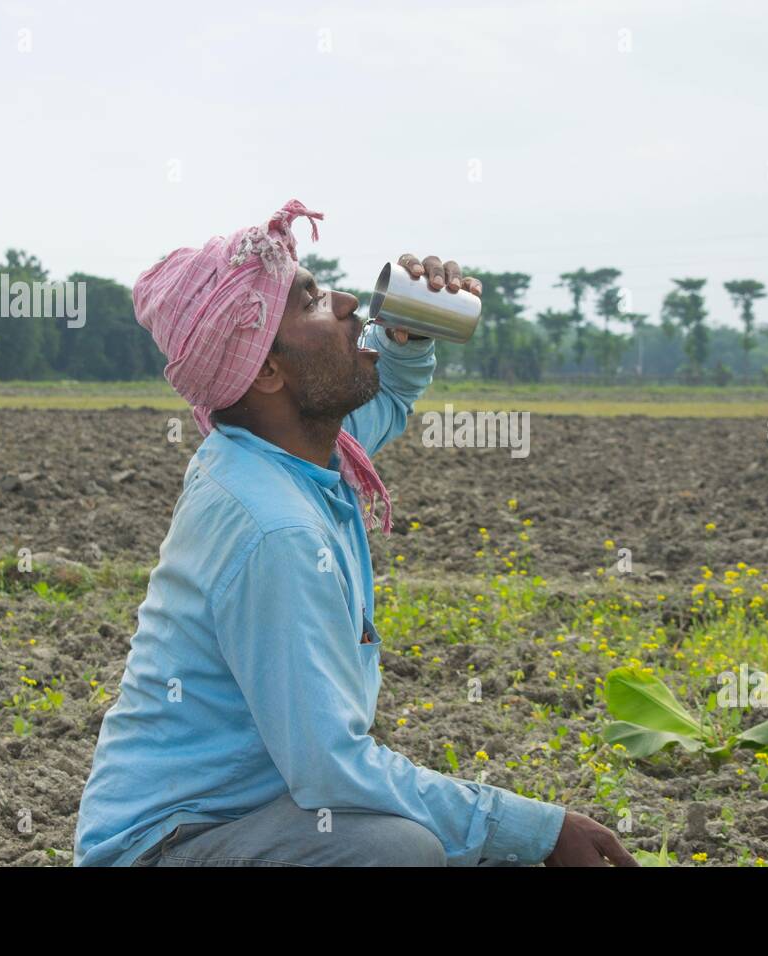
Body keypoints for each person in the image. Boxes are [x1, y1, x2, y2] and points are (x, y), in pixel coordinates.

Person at [73, 199, 636, 867]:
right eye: (311, 302)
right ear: (267, 372)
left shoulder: (293, 452)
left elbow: (388, 401)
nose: (345, 304)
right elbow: (332, 771)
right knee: (395, 853)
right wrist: (534, 830)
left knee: (447, 845)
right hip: (166, 847)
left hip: (252, 815)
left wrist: (408, 338)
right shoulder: (272, 527)